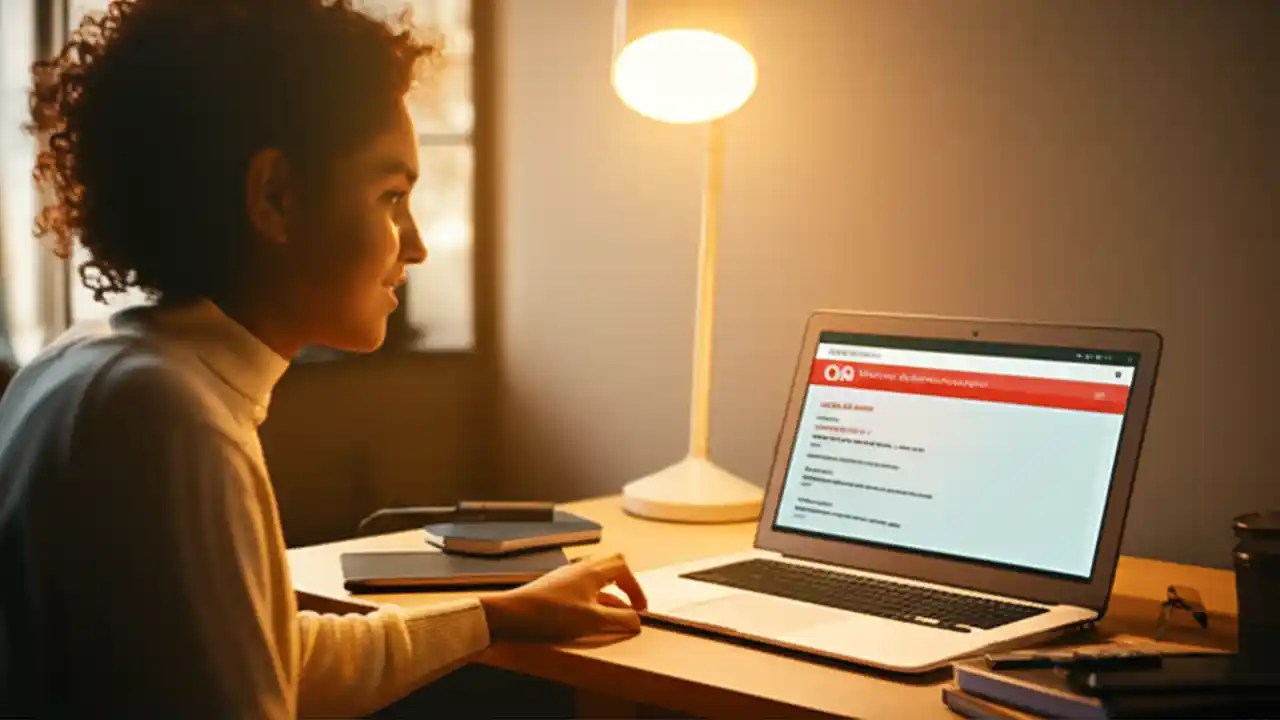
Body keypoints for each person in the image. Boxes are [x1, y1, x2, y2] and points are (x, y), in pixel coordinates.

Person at [0, 0, 646, 716]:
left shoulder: (88, 365)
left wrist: (497, 616)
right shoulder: (167, 415)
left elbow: (277, 661)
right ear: (274, 197)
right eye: (390, 196)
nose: (416, 244)